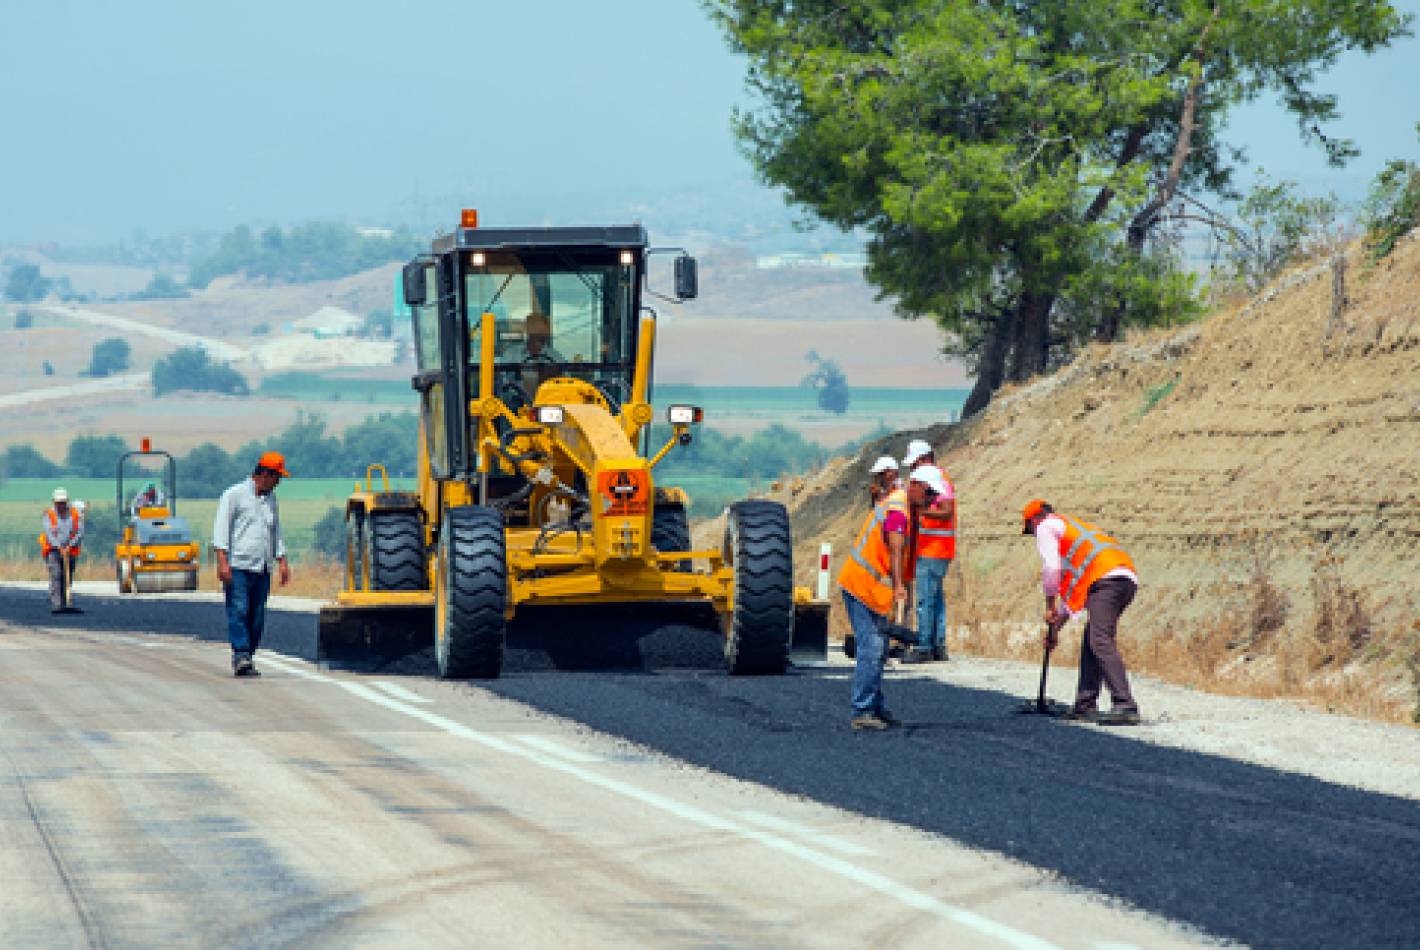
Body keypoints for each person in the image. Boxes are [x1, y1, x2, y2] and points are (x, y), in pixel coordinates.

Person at [1022, 499, 1141, 725]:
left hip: (1107, 580)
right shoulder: (1072, 529)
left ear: (1034, 520)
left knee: (1100, 640)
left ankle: (1125, 705)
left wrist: (1049, 606)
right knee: (1092, 639)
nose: (1034, 535)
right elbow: (1077, 595)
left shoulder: (1046, 527)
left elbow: (1051, 568)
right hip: (1123, 579)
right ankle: (1085, 704)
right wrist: (1055, 628)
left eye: (1030, 530)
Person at [836, 466, 936, 730]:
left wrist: (903, 590)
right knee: (871, 648)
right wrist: (900, 587)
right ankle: (862, 711)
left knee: (878, 649)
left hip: (873, 590)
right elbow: (894, 550)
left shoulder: (906, 507)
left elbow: (904, 557)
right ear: (915, 485)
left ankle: (875, 707)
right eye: (928, 492)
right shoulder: (898, 511)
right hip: (861, 586)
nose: (931, 499)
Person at [213, 452, 292, 677]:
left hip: (262, 567)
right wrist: (222, 562)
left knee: (257, 617)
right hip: (238, 566)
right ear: (265, 475)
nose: (279, 483)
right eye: (277, 477)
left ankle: (248, 654)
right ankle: (241, 655)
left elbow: (276, 532)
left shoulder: (271, 500)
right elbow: (221, 529)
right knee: (238, 610)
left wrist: (282, 562)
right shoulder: (233, 495)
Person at [900, 439, 954, 662]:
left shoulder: (937, 480)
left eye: (915, 463)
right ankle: (938, 645)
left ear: (924, 459)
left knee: (925, 599)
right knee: (936, 598)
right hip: (937, 549)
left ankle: (924, 646)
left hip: (933, 549)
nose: (913, 468)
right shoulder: (940, 478)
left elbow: (947, 511)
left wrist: (920, 511)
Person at [40, 487, 82, 613]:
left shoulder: (75, 514)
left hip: (70, 549)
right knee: (56, 575)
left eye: (63, 502)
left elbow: (80, 532)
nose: (61, 505)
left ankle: (65, 601)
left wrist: (70, 545)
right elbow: (49, 534)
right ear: (54, 502)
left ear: (67, 501)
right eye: (58, 502)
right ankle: (56, 604)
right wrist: (58, 546)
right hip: (53, 550)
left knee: (67, 575)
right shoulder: (49, 514)